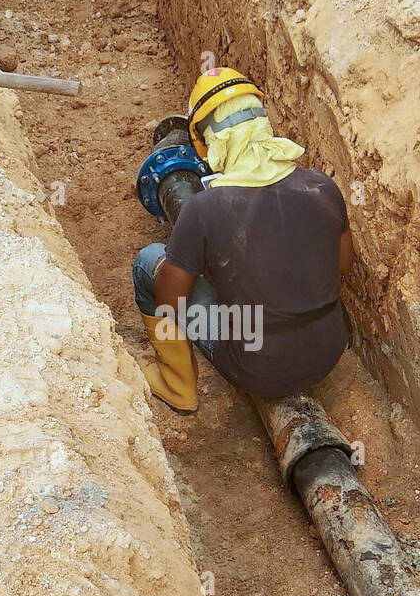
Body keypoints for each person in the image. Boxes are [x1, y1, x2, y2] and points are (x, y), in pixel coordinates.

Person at [132, 67, 353, 411]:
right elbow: (342, 264)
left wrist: (203, 258)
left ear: (205, 143)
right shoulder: (321, 185)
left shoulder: (204, 209)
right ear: (263, 123)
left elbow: (169, 300)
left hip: (258, 366)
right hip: (328, 352)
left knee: (148, 261)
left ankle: (177, 387)